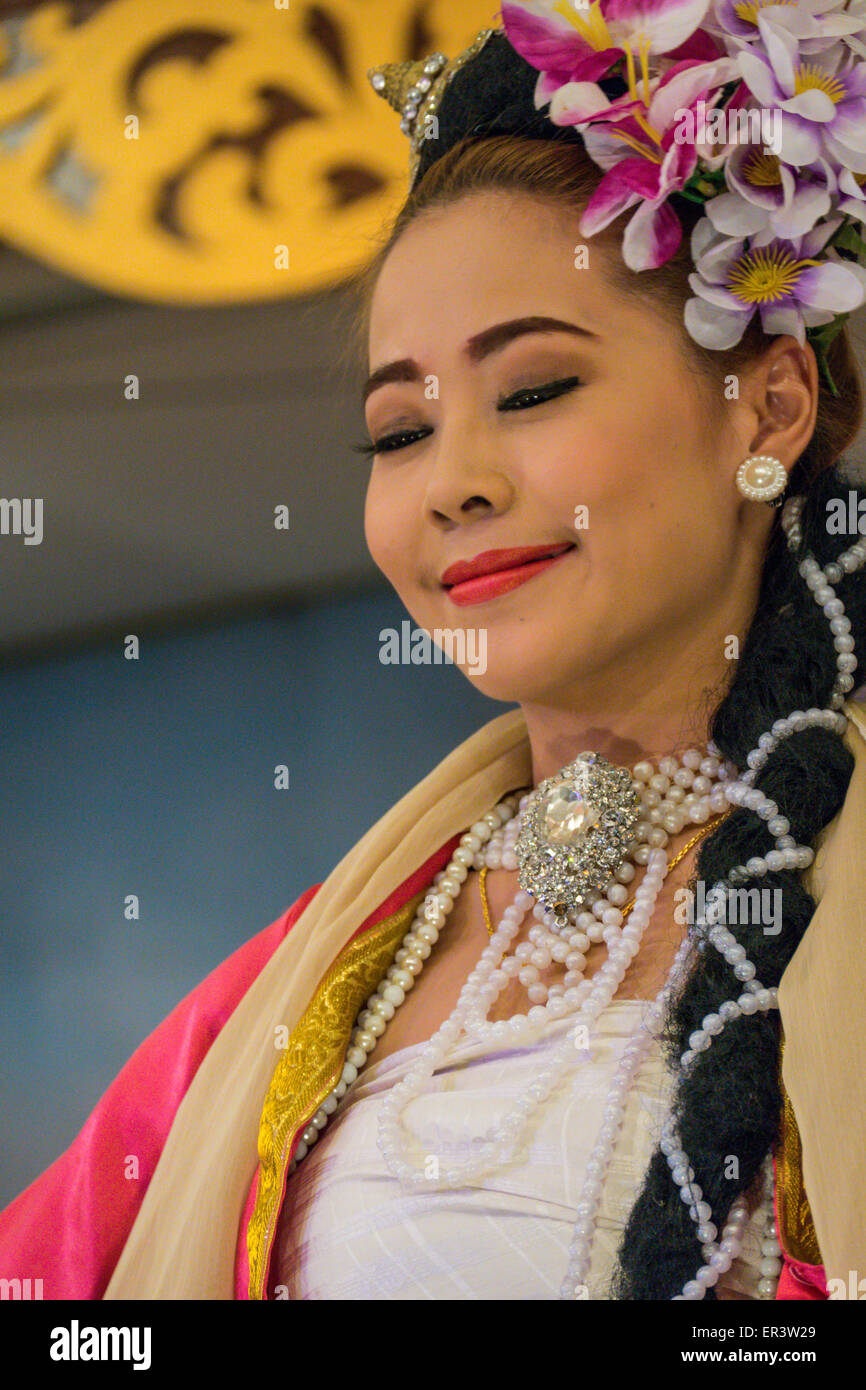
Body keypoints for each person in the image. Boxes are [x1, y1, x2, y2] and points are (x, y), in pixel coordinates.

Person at [2, 8, 866, 1302]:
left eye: (530, 391)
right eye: (398, 429)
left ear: (770, 401)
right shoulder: (302, 978)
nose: (451, 483)